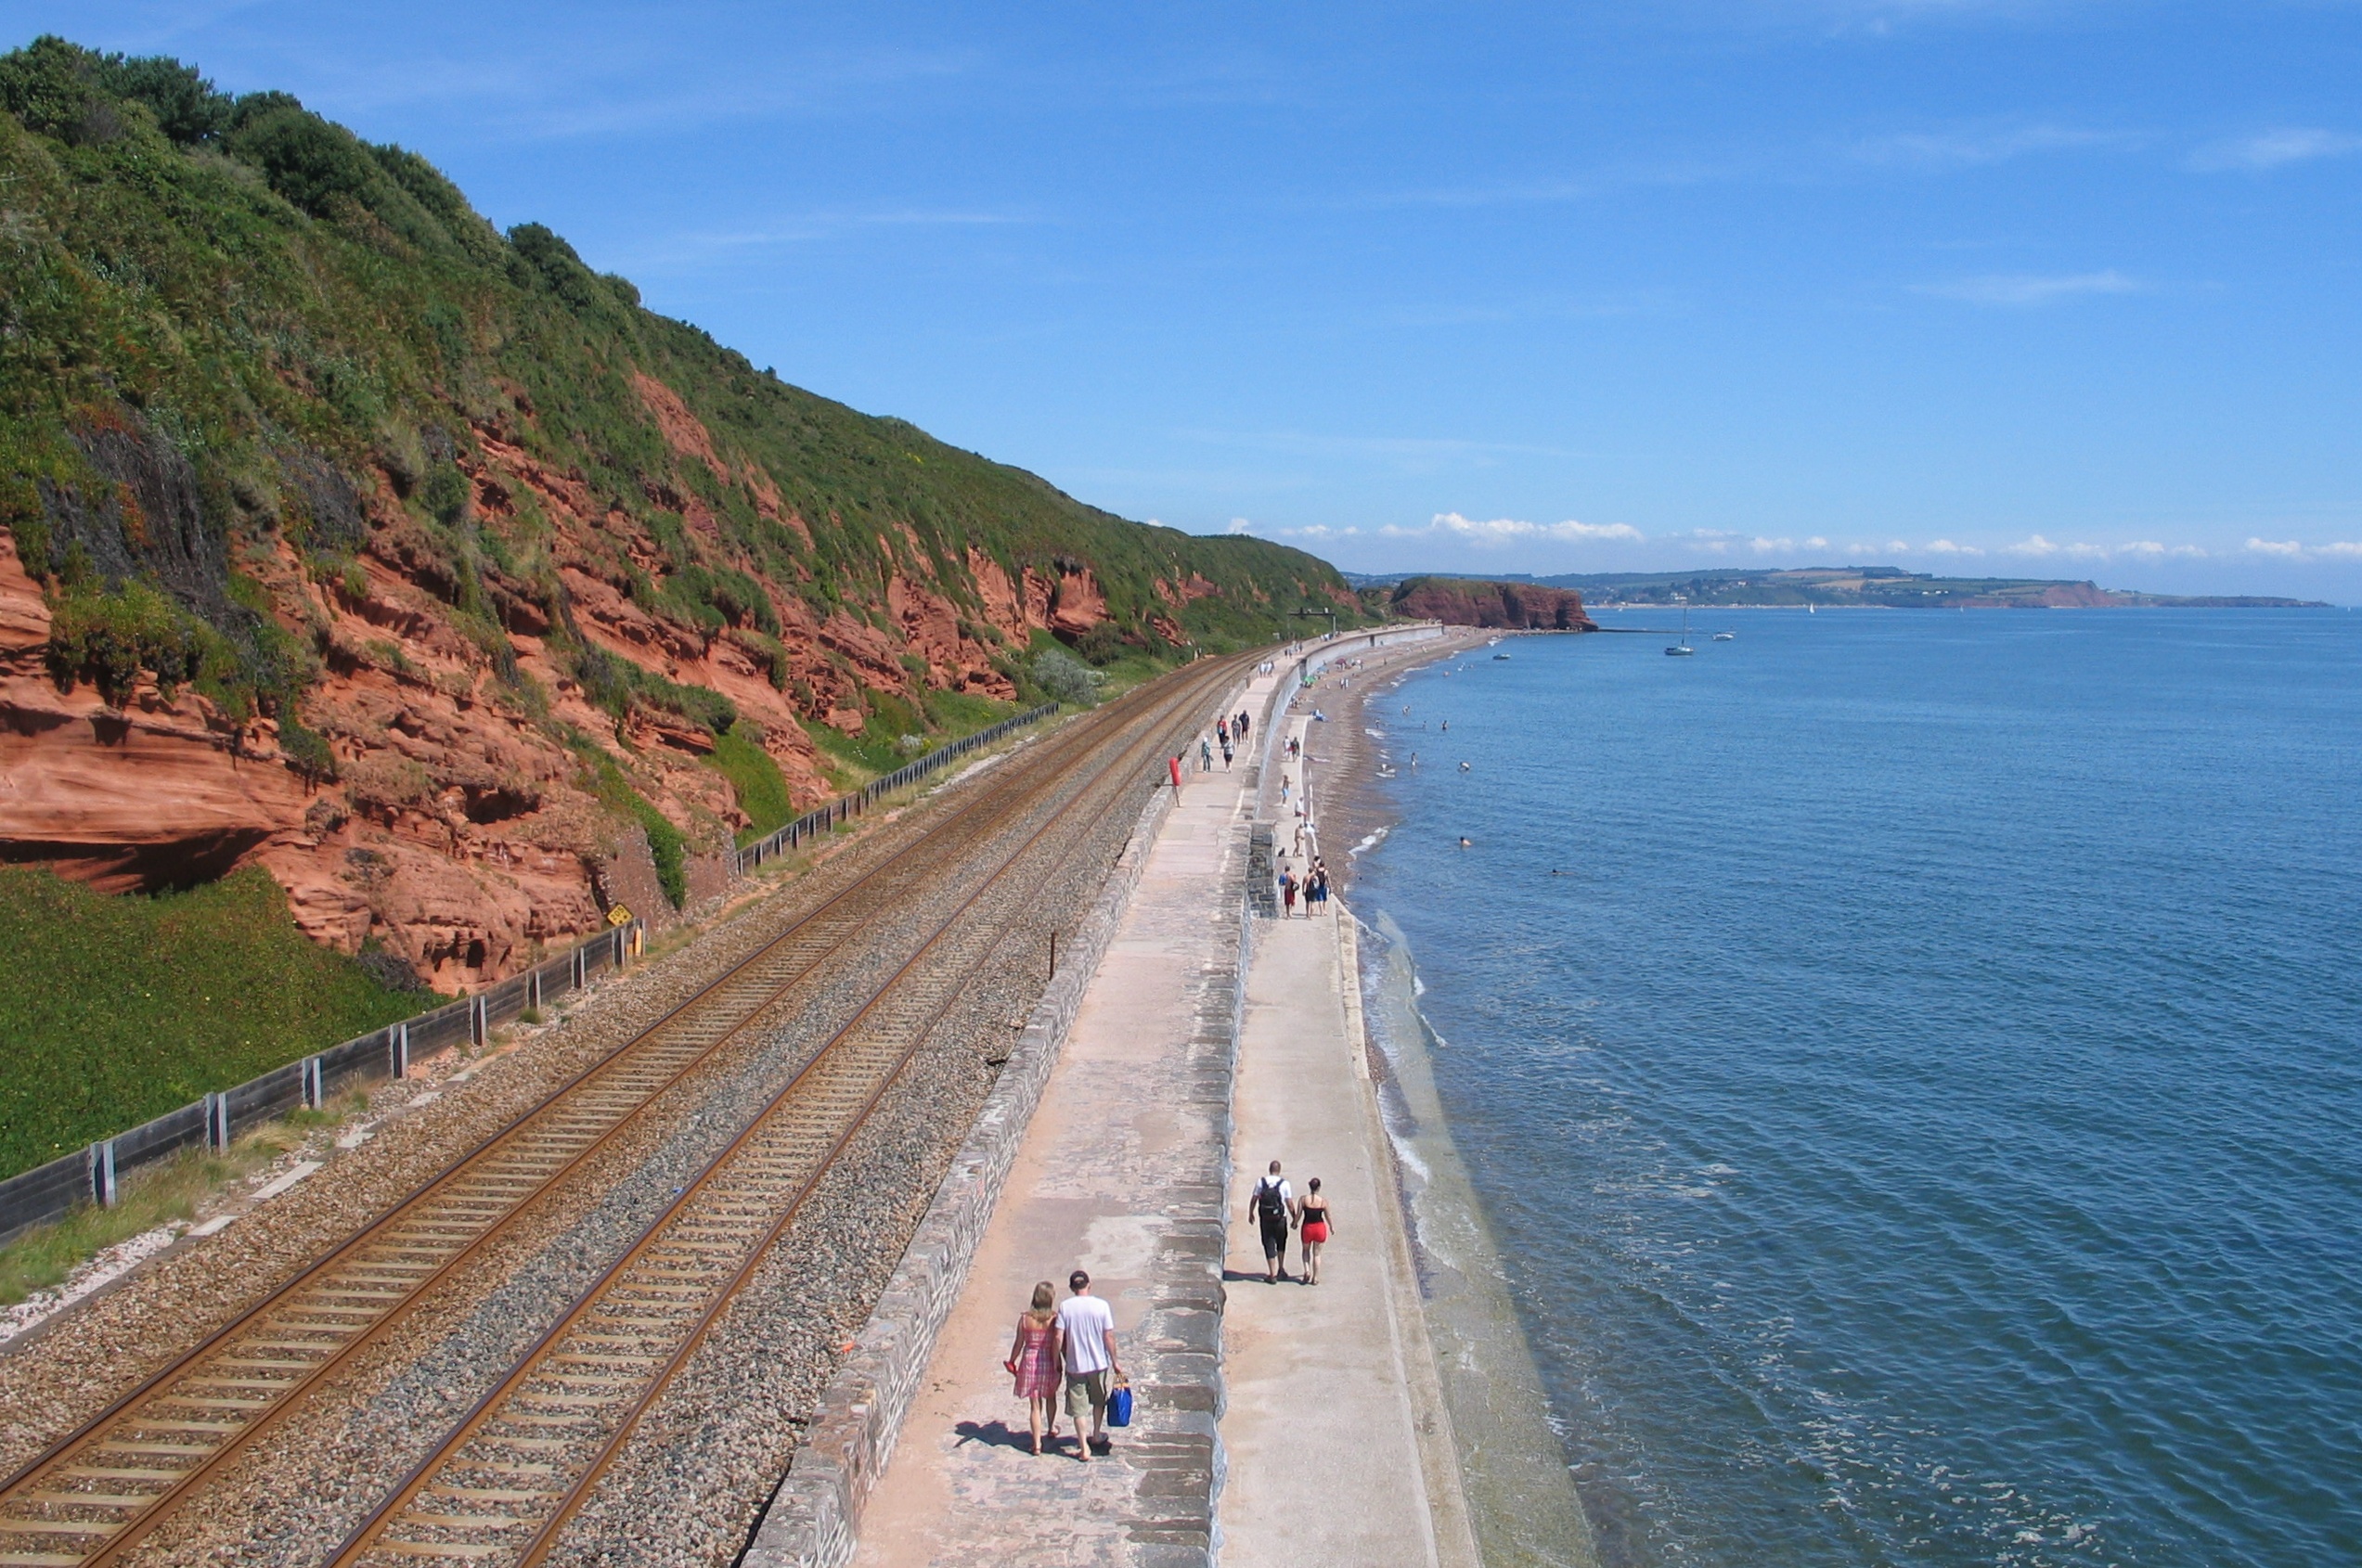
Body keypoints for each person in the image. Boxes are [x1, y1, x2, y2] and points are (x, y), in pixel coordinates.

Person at [1056, 1269, 1122, 1459]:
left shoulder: (1065, 1307)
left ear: (1071, 1288)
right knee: (1098, 1401)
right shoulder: (1101, 1306)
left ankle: (1083, 1446)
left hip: (1075, 1364)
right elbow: (1108, 1335)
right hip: (1098, 1363)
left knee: (1079, 1407)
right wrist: (1115, 1361)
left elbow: (1059, 1336)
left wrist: (1056, 1359)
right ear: (1089, 1285)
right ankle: (1096, 1434)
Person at [1004, 1280, 1064, 1455]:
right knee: (1051, 1397)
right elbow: (1058, 1342)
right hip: (1049, 1359)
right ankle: (1052, 1427)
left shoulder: (1025, 1318)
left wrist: (1012, 1361)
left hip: (1030, 1360)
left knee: (1035, 1405)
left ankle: (1037, 1444)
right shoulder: (1054, 1319)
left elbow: (1018, 1344)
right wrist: (1059, 1363)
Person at [1246, 1160, 1297, 1282]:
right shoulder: (1284, 1184)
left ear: (1269, 1169)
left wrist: (1251, 1213)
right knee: (1281, 1242)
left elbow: (1254, 1199)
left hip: (1265, 1218)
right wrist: (1295, 1218)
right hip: (1280, 1218)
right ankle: (1280, 1269)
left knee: (1268, 1243)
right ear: (1279, 1170)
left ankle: (1272, 1274)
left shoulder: (1261, 1182)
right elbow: (1289, 1203)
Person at [1298, 1177, 1332, 1284]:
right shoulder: (1323, 1201)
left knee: (1305, 1250)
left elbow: (1298, 1215)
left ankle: (1307, 1270)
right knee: (1317, 1254)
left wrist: (1294, 1223)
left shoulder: (1303, 1199)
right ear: (1319, 1187)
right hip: (1319, 1228)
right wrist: (1331, 1226)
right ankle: (1315, 1278)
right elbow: (1328, 1216)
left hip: (1307, 1227)